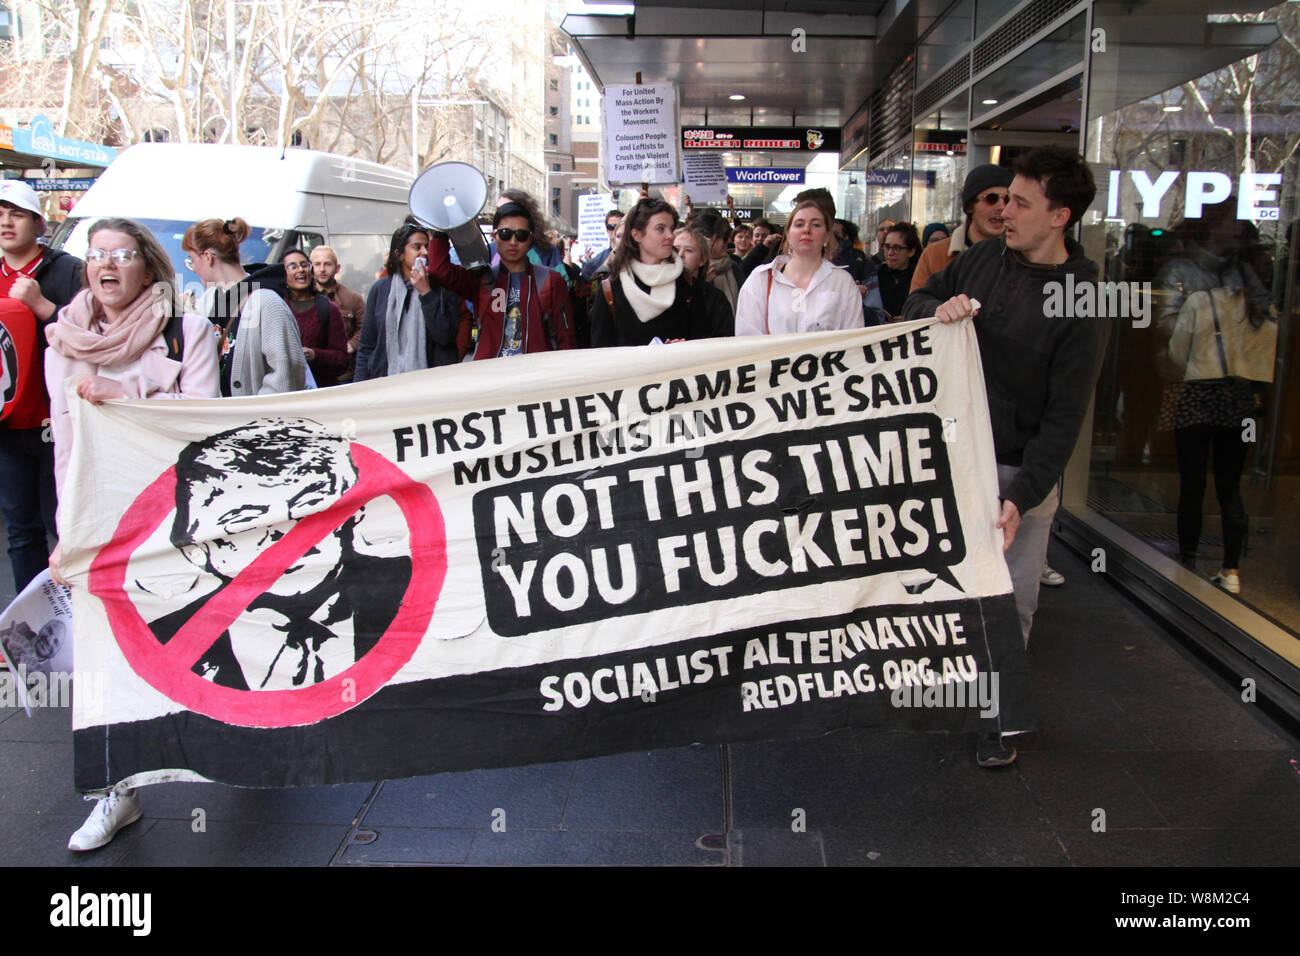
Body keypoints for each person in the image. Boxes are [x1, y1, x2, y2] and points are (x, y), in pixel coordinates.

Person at [903, 146, 1107, 768]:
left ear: (1060, 216)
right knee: (939, 584)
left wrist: (1022, 495)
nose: (1003, 212)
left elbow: (1064, 416)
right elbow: (916, 302)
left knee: (1008, 596)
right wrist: (936, 309)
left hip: (1017, 468)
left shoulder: (1083, 298)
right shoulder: (985, 258)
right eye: (1002, 199)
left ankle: (1000, 718)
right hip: (954, 451)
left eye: (1020, 202)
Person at [43, 217, 219, 851]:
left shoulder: (187, 331)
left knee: (206, 644)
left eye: (121, 254)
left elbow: (205, 426)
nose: (106, 265)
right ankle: (115, 793)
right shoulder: (60, 343)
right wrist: (66, 536)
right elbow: (67, 450)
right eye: (95, 255)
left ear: (149, 265)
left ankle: (248, 756)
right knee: (103, 659)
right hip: (97, 521)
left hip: (175, 519)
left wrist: (129, 390)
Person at [157, 417, 409, 691]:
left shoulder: (416, 592)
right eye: (247, 523)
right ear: (196, 547)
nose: (285, 537)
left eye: (309, 509)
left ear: (354, 514)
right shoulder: (165, 641)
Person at [1156, 201, 1276, 595]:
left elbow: (1173, 342)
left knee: (1193, 480)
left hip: (1198, 389)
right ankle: (1231, 567)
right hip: (1241, 396)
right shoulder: (1254, 295)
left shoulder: (1201, 293)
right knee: (1230, 483)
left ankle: (1188, 560)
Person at [0, 180, 81, 593]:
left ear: (38, 223)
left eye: (16, 213)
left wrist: (43, 308)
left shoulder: (68, 270)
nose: (6, 222)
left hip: (61, 422)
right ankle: (31, 623)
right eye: (0, 214)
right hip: (9, 427)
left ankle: (75, 622)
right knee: (21, 530)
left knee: (67, 528)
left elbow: (92, 336)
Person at [427, 201, 575, 360]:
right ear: (494, 237)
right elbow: (439, 270)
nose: (513, 242)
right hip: (490, 376)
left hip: (534, 376)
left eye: (521, 235)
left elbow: (566, 338)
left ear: (530, 238)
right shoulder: (481, 279)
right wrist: (441, 231)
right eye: (505, 234)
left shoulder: (551, 280)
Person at [182, 218, 306, 397]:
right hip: (218, 420)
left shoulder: (267, 302)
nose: (192, 269)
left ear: (207, 257)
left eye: (192, 260)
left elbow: (287, 376)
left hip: (251, 422)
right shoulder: (210, 299)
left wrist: (250, 417)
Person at [589, 198, 722, 347]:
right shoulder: (611, 289)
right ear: (637, 234)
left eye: (671, 228)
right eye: (660, 228)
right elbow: (601, 351)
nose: (670, 235)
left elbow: (703, 344)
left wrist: (685, 348)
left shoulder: (688, 285)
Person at [734, 197, 863, 336]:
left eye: (816, 225)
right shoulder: (760, 279)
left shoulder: (843, 282)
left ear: (827, 236)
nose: (806, 230)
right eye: (799, 224)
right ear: (788, 234)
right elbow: (746, 341)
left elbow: (854, 343)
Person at [354, 219, 461, 379]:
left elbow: (445, 336)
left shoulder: (442, 288)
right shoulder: (381, 289)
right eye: (417, 247)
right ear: (399, 254)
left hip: (431, 383)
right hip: (387, 381)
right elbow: (367, 344)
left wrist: (426, 293)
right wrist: (359, 387)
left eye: (427, 247)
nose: (424, 252)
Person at [911, 165, 1012, 293]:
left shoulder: (1021, 255)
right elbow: (915, 306)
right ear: (969, 206)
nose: (1001, 207)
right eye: (991, 199)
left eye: (1007, 200)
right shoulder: (935, 255)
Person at [279, 250, 349, 387]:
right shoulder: (277, 307)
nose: (300, 270)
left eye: (304, 265)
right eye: (293, 266)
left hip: (320, 393)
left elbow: (343, 360)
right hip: (286, 392)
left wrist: (315, 355)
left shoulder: (328, 309)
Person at [308, 245, 366, 381]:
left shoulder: (353, 298)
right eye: (317, 264)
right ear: (310, 267)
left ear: (337, 268)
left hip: (343, 375)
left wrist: (352, 345)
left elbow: (365, 328)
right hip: (311, 374)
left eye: (327, 264)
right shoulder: (302, 298)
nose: (322, 269)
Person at [673, 226, 733, 337]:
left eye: (688, 250)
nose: (680, 255)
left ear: (702, 260)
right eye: (675, 249)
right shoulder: (658, 292)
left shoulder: (716, 299)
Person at [687, 206, 740, 313]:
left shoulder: (733, 266)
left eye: (727, 237)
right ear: (706, 240)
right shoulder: (691, 270)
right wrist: (703, 285)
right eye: (722, 238)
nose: (727, 242)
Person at [878, 222, 920, 319]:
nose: (890, 253)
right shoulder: (876, 274)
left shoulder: (919, 277)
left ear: (911, 251)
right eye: (887, 247)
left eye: (896, 248)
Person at [581, 209, 625, 281]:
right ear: (607, 230)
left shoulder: (637, 257)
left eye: (619, 226)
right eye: (611, 227)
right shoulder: (594, 263)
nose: (616, 230)